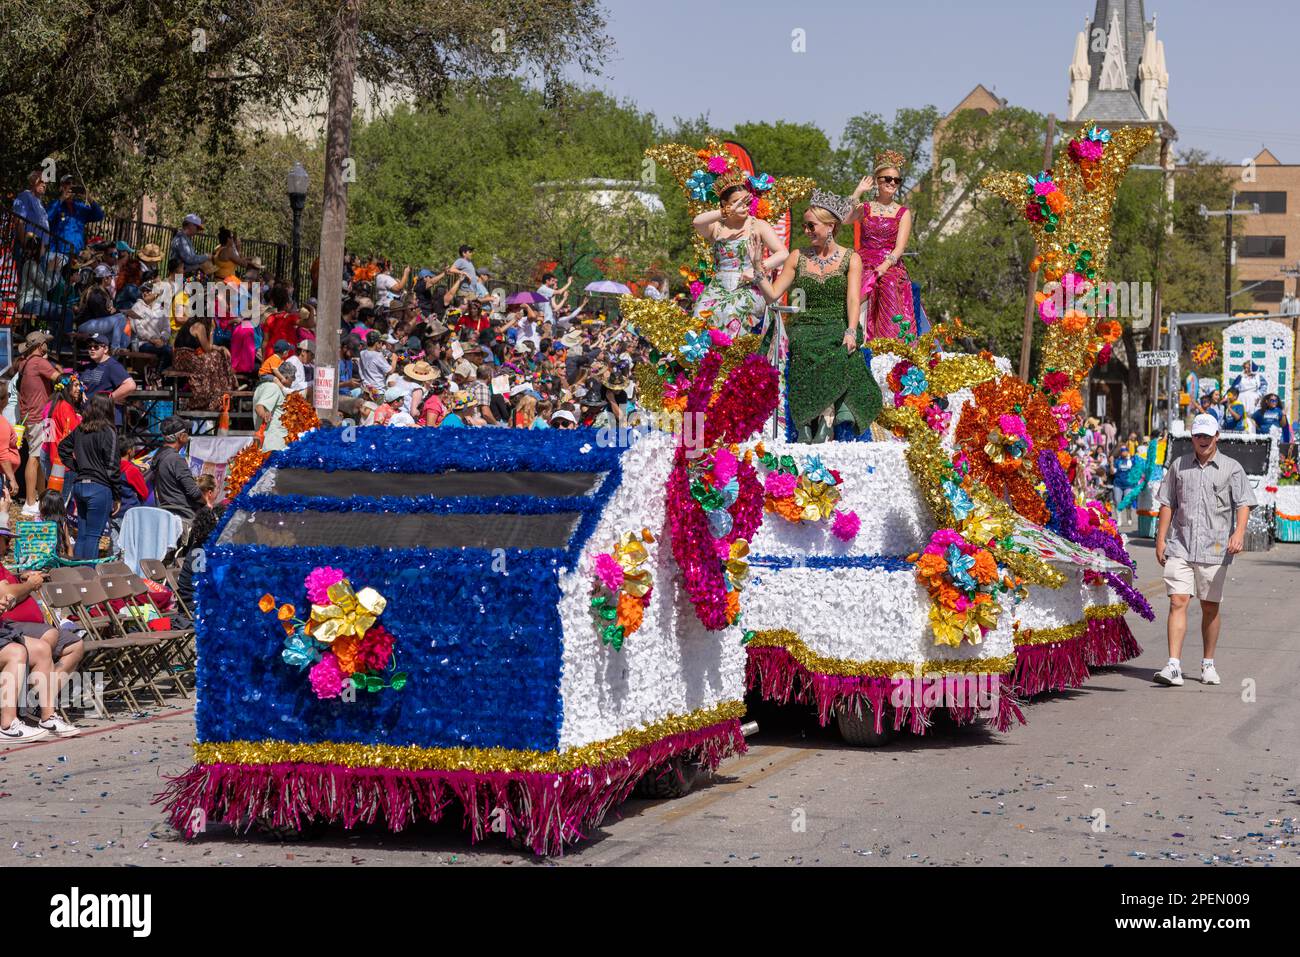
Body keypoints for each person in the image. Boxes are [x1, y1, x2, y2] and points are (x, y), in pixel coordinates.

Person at [755, 190, 882, 442]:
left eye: (811, 225)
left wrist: (850, 330)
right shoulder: (797, 257)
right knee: (802, 345)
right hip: (804, 323)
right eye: (804, 226)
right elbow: (773, 295)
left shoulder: (850, 258)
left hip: (838, 323)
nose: (806, 231)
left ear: (830, 226)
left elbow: (853, 299)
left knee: (837, 346)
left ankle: (826, 420)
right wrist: (757, 265)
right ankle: (803, 424)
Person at [1153, 413, 1256, 687]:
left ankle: (1207, 663)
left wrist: (1239, 532)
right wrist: (1160, 539)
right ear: (1192, 437)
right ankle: (1173, 665)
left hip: (1215, 547)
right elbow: (1167, 503)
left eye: (1207, 436)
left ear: (1217, 436)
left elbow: (1243, 502)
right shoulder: (1179, 466)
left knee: (1210, 606)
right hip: (1181, 545)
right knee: (1178, 601)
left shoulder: (1231, 468)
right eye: (1198, 436)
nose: (1202, 440)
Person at [690, 171, 787, 339]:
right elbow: (697, 222)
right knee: (700, 315)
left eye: (746, 201)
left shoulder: (758, 225)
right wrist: (726, 211)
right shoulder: (716, 227)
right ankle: (708, 361)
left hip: (748, 285)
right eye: (737, 202)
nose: (743, 206)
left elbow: (782, 253)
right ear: (724, 204)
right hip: (718, 287)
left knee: (731, 312)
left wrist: (758, 269)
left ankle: (734, 358)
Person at [845, 149, 915, 340]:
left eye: (897, 180)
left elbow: (900, 248)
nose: (892, 183)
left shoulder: (903, 212)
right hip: (863, 261)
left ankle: (888, 344)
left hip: (889, 263)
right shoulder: (865, 208)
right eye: (888, 179)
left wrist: (883, 267)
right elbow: (844, 219)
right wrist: (857, 192)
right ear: (877, 181)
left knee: (889, 284)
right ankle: (854, 336)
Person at [58, 394, 123, 561]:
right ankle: (88, 577)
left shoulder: (81, 429)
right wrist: (117, 495)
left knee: (83, 534)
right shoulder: (109, 431)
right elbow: (113, 467)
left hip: (79, 486)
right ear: (108, 409)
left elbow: (63, 448)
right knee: (93, 536)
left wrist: (79, 468)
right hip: (99, 488)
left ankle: (78, 575)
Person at [14, 330, 60, 515]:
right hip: (40, 418)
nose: (46, 347)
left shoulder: (24, 364)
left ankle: (41, 496)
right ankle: (30, 501)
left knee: (43, 458)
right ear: (40, 346)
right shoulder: (39, 362)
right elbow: (59, 377)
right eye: (45, 344)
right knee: (34, 457)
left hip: (39, 417)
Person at [148, 416, 205, 521]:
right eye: (187, 432)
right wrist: (207, 503)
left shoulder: (159, 455)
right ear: (181, 436)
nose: (188, 435)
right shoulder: (176, 459)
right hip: (183, 515)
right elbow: (194, 492)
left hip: (167, 513)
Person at [78, 333, 136, 424]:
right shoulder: (88, 366)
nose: (92, 349)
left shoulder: (112, 365)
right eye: (89, 347)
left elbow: (130, 385)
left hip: (105, 420)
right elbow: (79, 383)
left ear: (105, 349)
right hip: (88, 418)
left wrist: (109, 399)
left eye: (96, 346)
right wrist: (80, 391)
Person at [45, 176, 104, 256]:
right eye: (68, 183)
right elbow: (47, 217)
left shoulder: (80, 206)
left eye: (73, 184)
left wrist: (89, 198)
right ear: (61, 187)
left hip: (76, 254)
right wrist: (62, 198)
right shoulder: (55, 204)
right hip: (58, 254)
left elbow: (99, 216)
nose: (71, 186)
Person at [254, 367, 290, 451]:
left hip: (270, 443)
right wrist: (264, 414)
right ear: (285, 378)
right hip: (273, 444)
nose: (290, 385)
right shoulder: (273, 388)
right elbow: (259, 406)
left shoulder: (264, 387)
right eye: (291, 381)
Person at [11, 170, 50, 243]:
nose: (44, 185)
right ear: (32, 182)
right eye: (41, 181)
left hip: (39, 250)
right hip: (28, 248)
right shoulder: (25, 196)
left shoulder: (40, 203)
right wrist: (24, 242)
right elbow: (19, 220)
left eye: (46, 183)